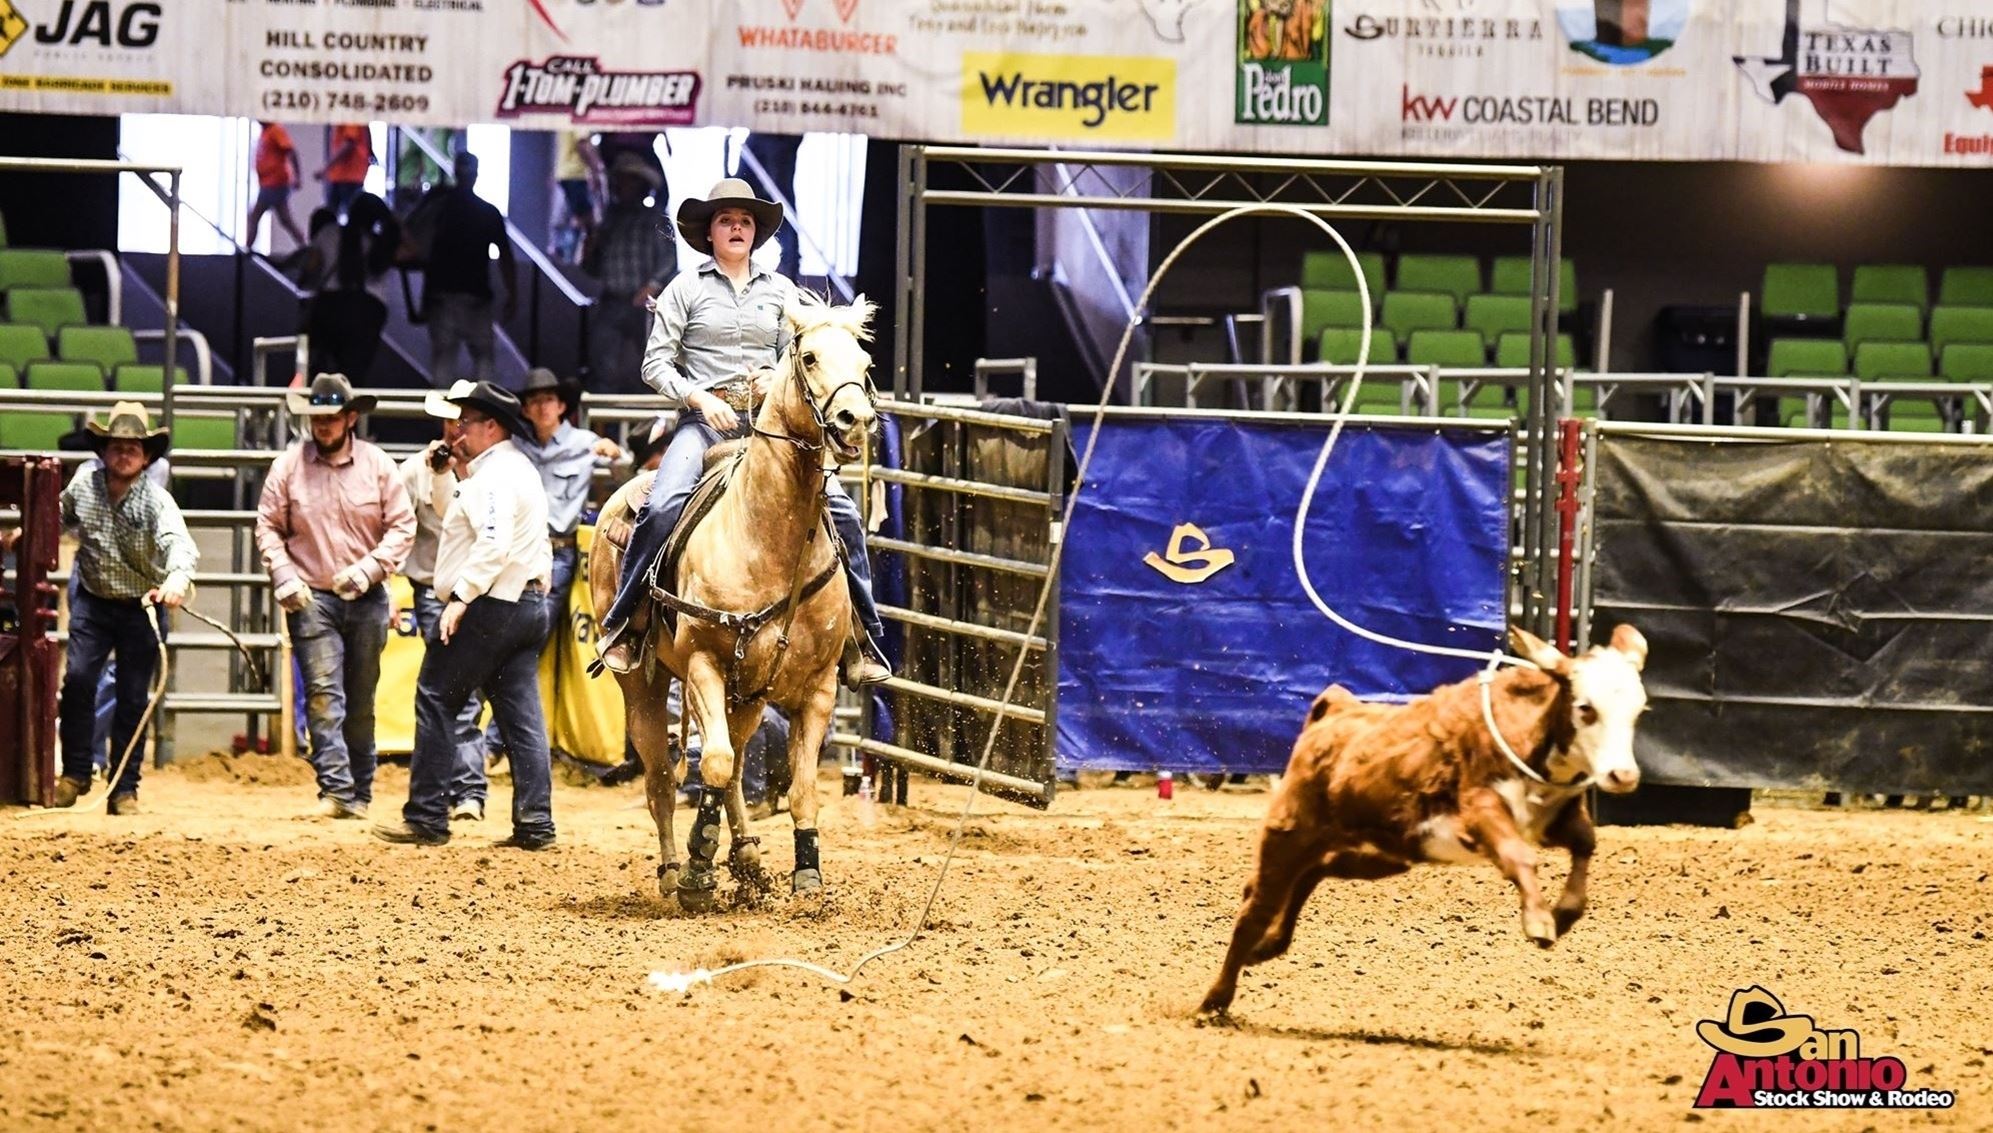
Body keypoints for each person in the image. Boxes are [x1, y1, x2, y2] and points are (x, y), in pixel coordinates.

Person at [593, 178, 890, 687]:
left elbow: (797, 358)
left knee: (842, 510)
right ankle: (627, 621)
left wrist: (776, 379)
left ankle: (862, 636)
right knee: (664, 502)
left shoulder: (782, 293)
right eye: (727, 220)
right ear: (709, 232)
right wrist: (699, 397)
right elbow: (656, 364)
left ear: (756, 233)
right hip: (703, 425)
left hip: (770, 429)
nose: (737, 228)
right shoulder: (683, 289)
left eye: (745, 221)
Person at [375, 383, 556, 850]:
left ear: (490, 427)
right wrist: (443, 472)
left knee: (436, 696)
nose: (457, 431)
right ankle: (535, 824)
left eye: (466, 423)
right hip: (526, 602)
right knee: (521, 715)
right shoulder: (516, 470)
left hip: (492, 604)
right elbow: (464, 515)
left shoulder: (493, 476)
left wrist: (461, 597)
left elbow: (491, 540)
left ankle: (427, 816)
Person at [256, 374, 416, 819]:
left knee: (360, 698)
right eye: (317, 417)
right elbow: (268, 525)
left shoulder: (378, 465)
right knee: (325, 695)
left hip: (365, 596)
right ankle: (338, 789)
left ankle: (358, 789)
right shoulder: (288, 467)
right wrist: (284, 574)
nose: (323, 424)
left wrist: (369, 570)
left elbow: (402, 526)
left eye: (331, 416)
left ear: (349, 418)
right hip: (312, 596)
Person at [52, 402, 197, 814]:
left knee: (133, 697)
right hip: (95, 600)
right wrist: (29, 532)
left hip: (142, 605)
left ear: (146, 455)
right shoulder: (82, 487)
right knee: (78, 680)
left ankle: (124, 788)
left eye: (133, 446)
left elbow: (178, 543)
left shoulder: (156, 501)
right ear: (104, 450)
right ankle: (76, 772)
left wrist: (176, 578)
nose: (125, 453)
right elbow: (56, 517)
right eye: (117, 445)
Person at [397, 380, 489, 822]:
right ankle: (466, 789)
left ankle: (461, 790)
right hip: (438, 588)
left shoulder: (488, 468)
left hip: (481, 589)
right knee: (456, 691)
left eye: (463, 418)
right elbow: (398, 527)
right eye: (452, 418)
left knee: (455, 691)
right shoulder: (417, 470)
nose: (456, 427)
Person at [582, 152, 676, 395]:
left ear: (642, 185)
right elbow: (593, 269)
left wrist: (652, 286)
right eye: (620, 180)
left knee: (654, 363)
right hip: (612, 299)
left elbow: (669, 259)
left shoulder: (657, 218)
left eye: (629, 180)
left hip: (646, 303)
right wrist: (590, 245)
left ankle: (654, 424)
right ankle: (606, 424)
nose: (622, 186)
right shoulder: (608, 222)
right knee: (603, 365)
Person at [424, 151, 518, 388]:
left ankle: (442, 421)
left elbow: (417, 241)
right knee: (484, 363)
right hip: (476, 297)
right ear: (476, 175)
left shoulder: (439, 207)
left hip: (442, 295)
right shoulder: (487, 212)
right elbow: (506, 256)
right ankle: (485, 418)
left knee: (443, 366)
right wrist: (513, 294)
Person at [303, 192, 401, 385]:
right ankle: (348, 412)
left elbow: (310, 268)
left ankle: (320, 411)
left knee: (321, 371)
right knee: (353, 375)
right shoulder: (381, 243)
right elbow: (413, 251)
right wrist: (394, 222)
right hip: (368, 311)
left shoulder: (329, 232)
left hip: (329, 306)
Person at [248, 120, 306, 251]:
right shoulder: (265, 133)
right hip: (268, 183)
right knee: (285, 219)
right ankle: (304, 245)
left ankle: (246, 251)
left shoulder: (276, 130)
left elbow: (291, 151)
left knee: (255, 215)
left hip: (275, 183)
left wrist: (298, 176)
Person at [551, 128, 603, 264]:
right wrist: (595, 169)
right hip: (576, 174)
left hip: (566, 174)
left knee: (577, 218)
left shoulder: (563, 122)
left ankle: (566, 254)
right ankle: (569, 258)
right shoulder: (579, 124)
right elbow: (582, 144)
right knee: (584, 220)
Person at [318, 122, 373, 214]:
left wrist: (327, 167)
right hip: (346, 175)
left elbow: (348, 144)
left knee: (335, 215)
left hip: (347, 175)